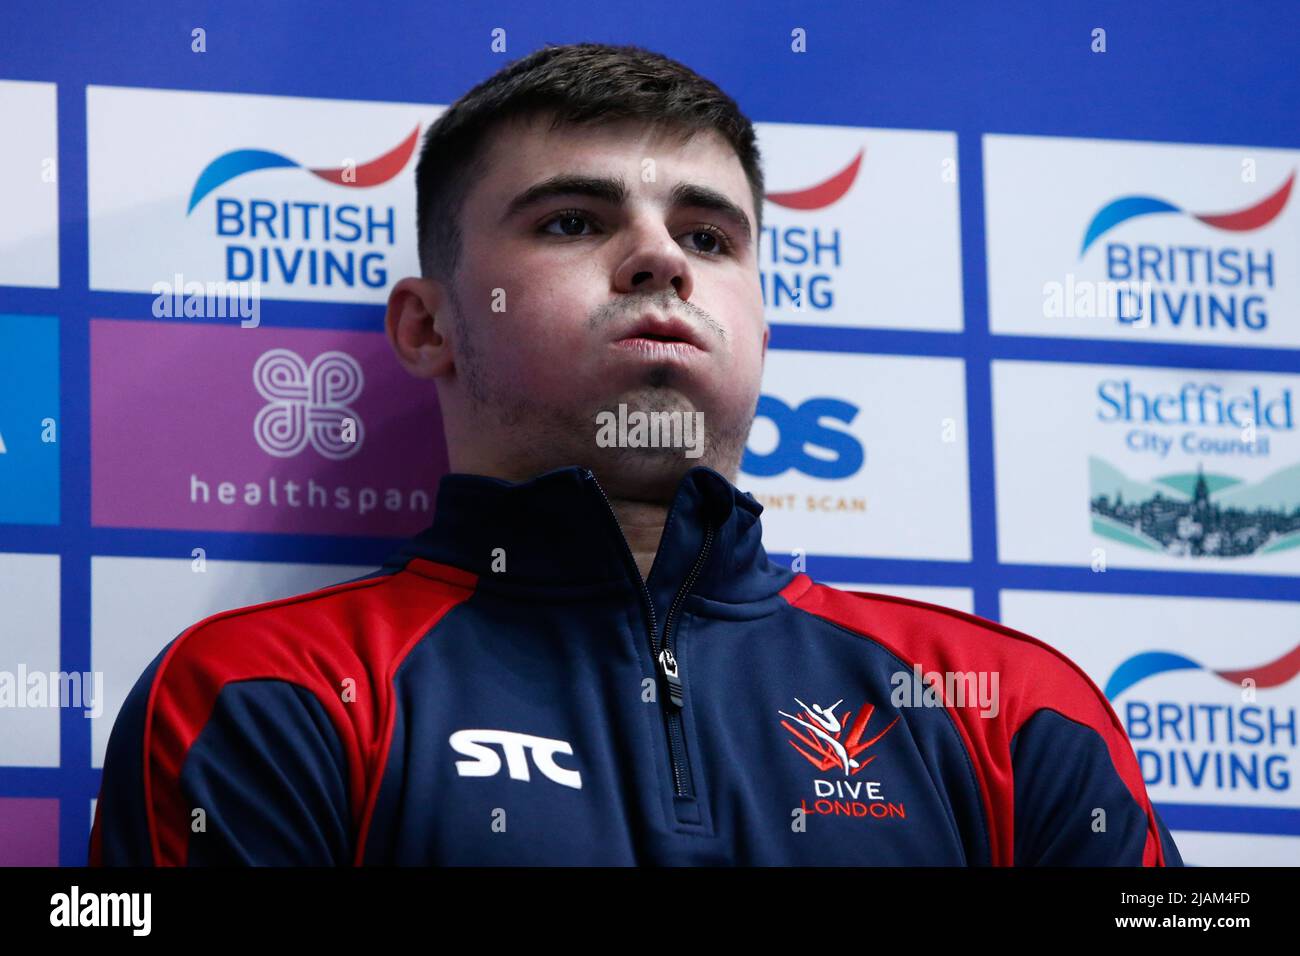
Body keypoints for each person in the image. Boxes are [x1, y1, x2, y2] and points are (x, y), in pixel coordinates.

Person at [89, 42, 1182, 866]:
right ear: (427, 326)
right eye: (571, 221)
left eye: (711, 238)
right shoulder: (263, 694)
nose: (660, 256)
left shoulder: (1010, 709)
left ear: (760, 320)